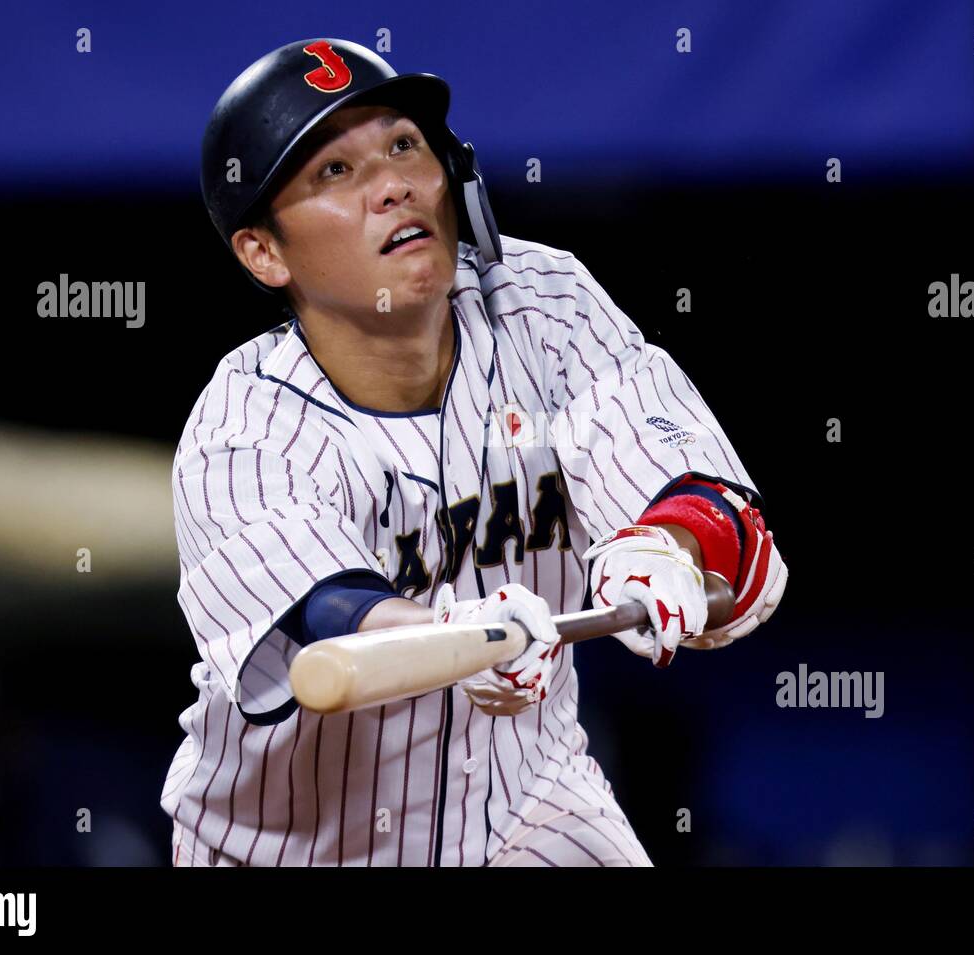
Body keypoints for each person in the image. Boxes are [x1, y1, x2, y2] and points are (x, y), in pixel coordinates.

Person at [163, 38, 787, 867]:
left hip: (527, 807)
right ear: (264, 252)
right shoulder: (243, 426)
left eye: (402, 145)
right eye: (335, 173)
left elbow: (698, 489)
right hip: (293, 847)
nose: (392, 185)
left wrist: (665, 546)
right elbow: (330, 624)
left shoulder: (542, 303)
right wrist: (452, 637)